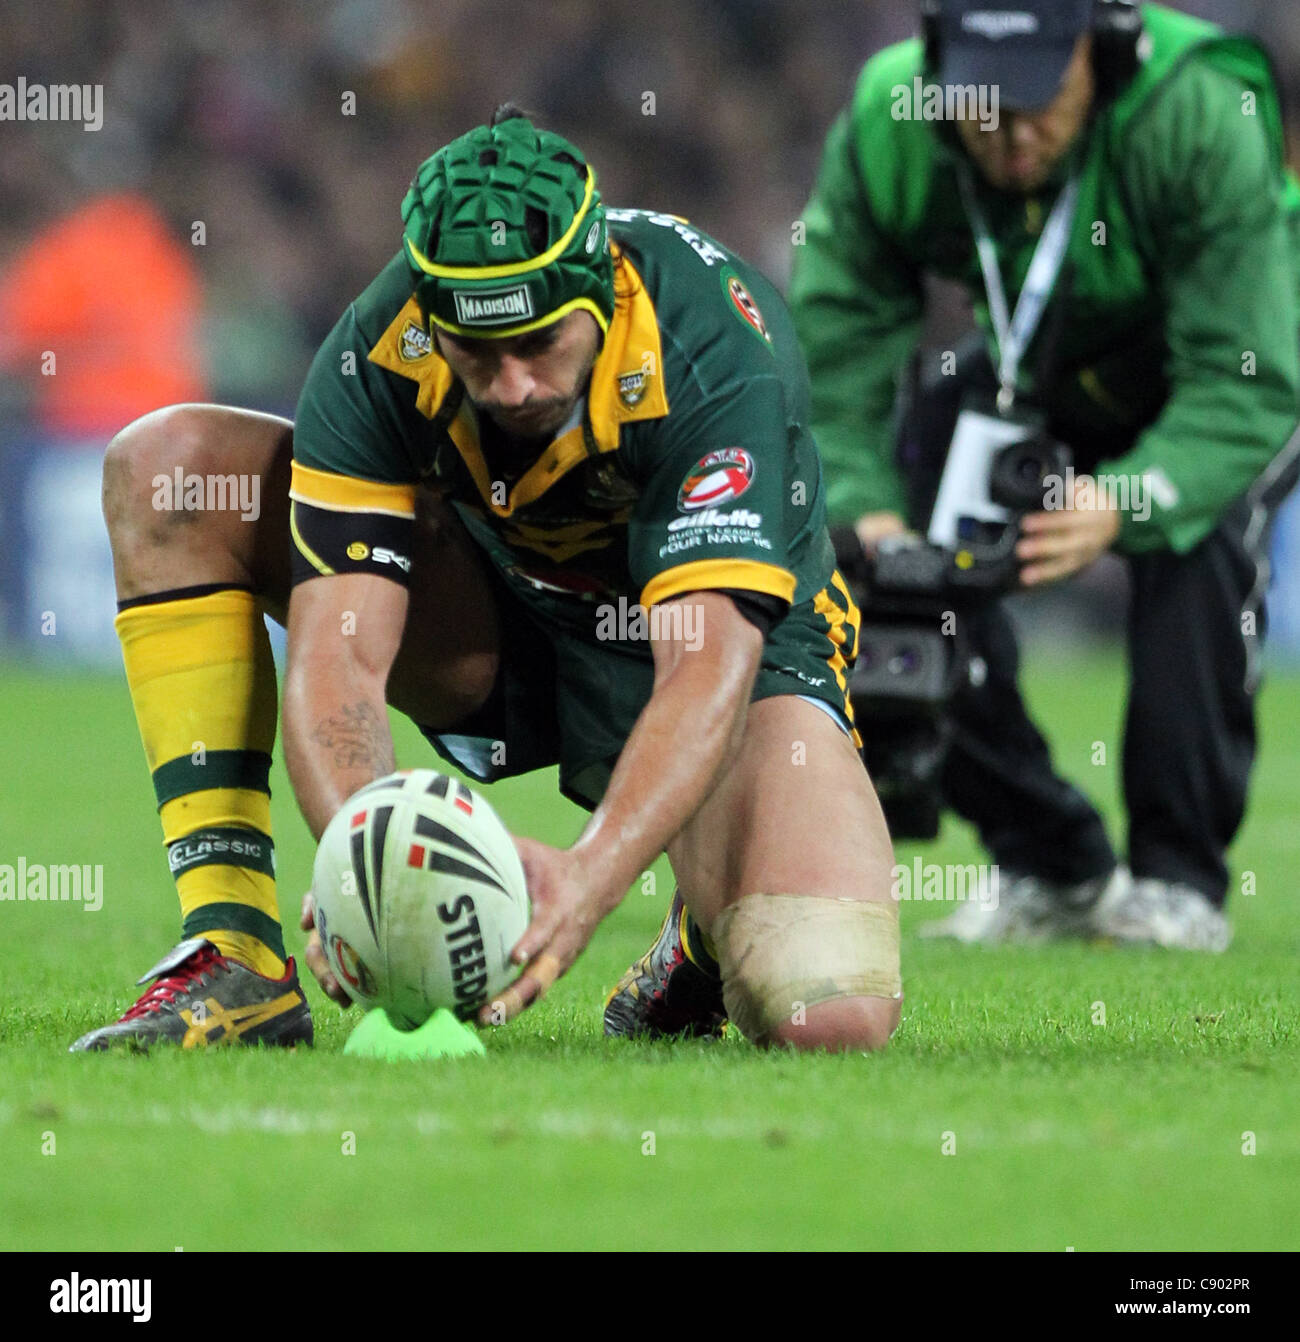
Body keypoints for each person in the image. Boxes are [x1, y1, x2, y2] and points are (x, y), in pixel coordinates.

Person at [73, 105, 900, 1054]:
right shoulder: (383, 344)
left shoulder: (709, 341)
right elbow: (338, 661)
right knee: (171, 468)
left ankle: (702, 935)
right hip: (497, 622)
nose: (512, 386)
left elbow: (704, 667)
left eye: (539, 344)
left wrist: (591, 880)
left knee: (829, 1018)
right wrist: (365, 878)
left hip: (714, 652)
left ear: (599, 295)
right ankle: (236, 954)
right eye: (476, 351)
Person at [786, 0, 1300, 949]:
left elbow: (1246, 380)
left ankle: (1177, 884)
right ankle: (1053, 864)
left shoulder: (1196, 105)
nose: (1008, 134)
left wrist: (1126, 500)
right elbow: (835, 351)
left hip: (1230, 367)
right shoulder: (892, 119)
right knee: (890, 575)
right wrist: (867, 513)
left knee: (1199, 551)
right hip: (1041, 371)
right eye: (980, 106)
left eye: (1035, 101)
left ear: (1103, 56)